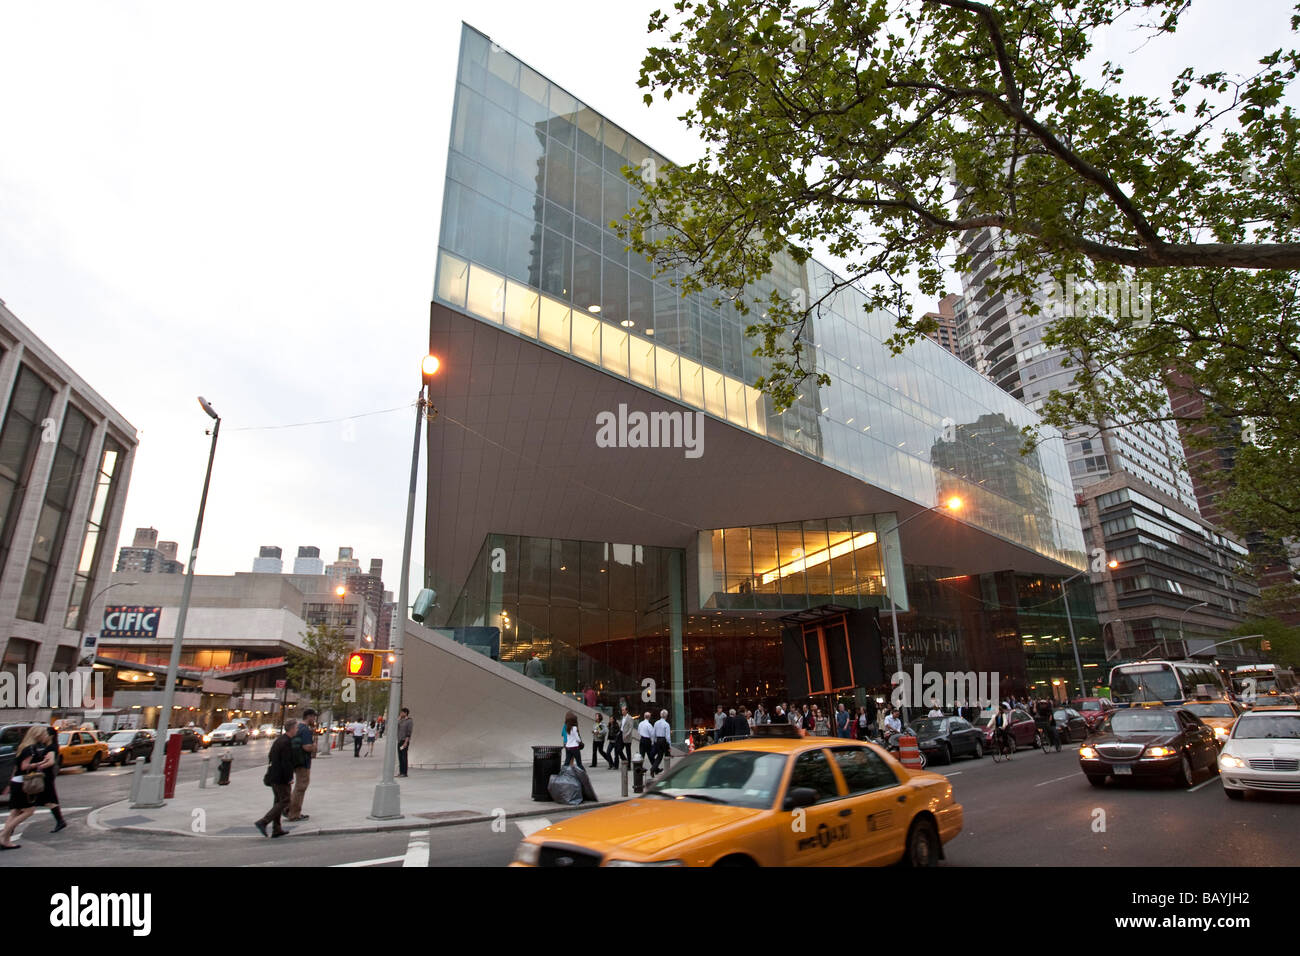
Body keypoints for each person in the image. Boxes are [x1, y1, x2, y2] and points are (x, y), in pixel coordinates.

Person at [1, 726, 61, 849]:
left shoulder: (23, 747)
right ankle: (3, 835)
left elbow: (16, 768)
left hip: (16, 782)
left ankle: (5, 840)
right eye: (43, 734)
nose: (45, 736)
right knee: (29, 811)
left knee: (15, 812)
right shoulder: (31, 749)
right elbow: (24, 767)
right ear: (38, 735)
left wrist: (9, 784)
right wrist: (39, 764)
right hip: (23, 782)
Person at [255, 719, 298, 838]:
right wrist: (289, 777)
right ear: (292, 729)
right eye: (296, 728)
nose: (297, 730)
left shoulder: (280, 740)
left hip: (274, 775)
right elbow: (286, 762)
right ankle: (263, 821)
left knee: (278, 802)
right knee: (285, 801)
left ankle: (276, 828)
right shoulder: (286, 742)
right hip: (280, 777)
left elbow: (271, 756)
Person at [287, 709, 317, 822]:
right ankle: (294, 813)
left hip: (296, 761)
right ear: (308, 717)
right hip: (303, 762)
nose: (314, 719)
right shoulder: (305, 730)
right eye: (313, 717)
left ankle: (289, 809)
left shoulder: (298, 728)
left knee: (298, 787)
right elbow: (307, 747)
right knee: (301, 787)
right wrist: (314, 746)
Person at [652, 709, 672, 774]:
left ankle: (653, 769)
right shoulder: (666, 724)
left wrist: (654, 741)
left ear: (660, 715)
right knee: (667, 755)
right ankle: (667, 771)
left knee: (659, 756)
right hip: (664, 740)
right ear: (666, 716)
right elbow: (668, 736)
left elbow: (653, 733)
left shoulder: (656, 723)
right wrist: (669, 745)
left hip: (658, 740)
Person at [396, 707, 413, 777]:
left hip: (404, 741)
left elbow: (409, 732)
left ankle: (404, 772)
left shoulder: (409, 721)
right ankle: (401, 772)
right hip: (399, 740)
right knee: (400, 756)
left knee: (404, 756)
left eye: (402, 712)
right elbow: (394, 726)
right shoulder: (401, 720)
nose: (401, 714)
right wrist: (398, 718)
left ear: (405, 713)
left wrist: (406, 742)